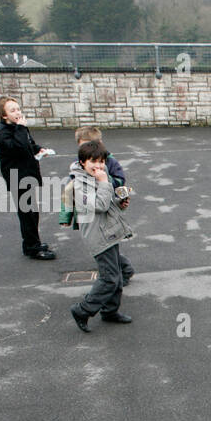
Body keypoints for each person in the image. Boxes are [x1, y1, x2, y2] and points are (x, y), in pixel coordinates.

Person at [69, 140, 135, 332]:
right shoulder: (79, 184)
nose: (98, 166)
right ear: (82, 162)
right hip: (98, 238)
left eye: (101, 162)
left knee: (116, 275)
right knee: (109, 278)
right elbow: (99, 206)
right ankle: (82, 310)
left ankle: (110, 311)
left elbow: (106, 202)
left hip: (109, 233)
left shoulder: (94, 179)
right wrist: (105, 183)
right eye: (93, 162)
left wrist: (119, 202)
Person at [0, 95, 55, 260]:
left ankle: (32, 243)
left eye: (18, 109)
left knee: (32, 211)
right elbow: (16, 148)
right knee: (27, 213)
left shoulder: (19, 128)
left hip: (27, 173)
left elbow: (28, 144)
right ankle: (33, 247)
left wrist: (39, 149)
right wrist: (20, 128)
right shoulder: (1, 132)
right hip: (17, 176)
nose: (18, 112)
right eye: (12, 110)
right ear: (4, 116)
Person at [73, 125, 133, 286]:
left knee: (109, 249)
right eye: (83, 145)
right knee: (107, 250)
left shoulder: (108, 162)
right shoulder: (80, 166)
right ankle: (121, 274)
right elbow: (72, 191)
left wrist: (105, 183)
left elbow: (119, 180)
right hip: (93, 217)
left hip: (106, 211)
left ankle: (123, 273)